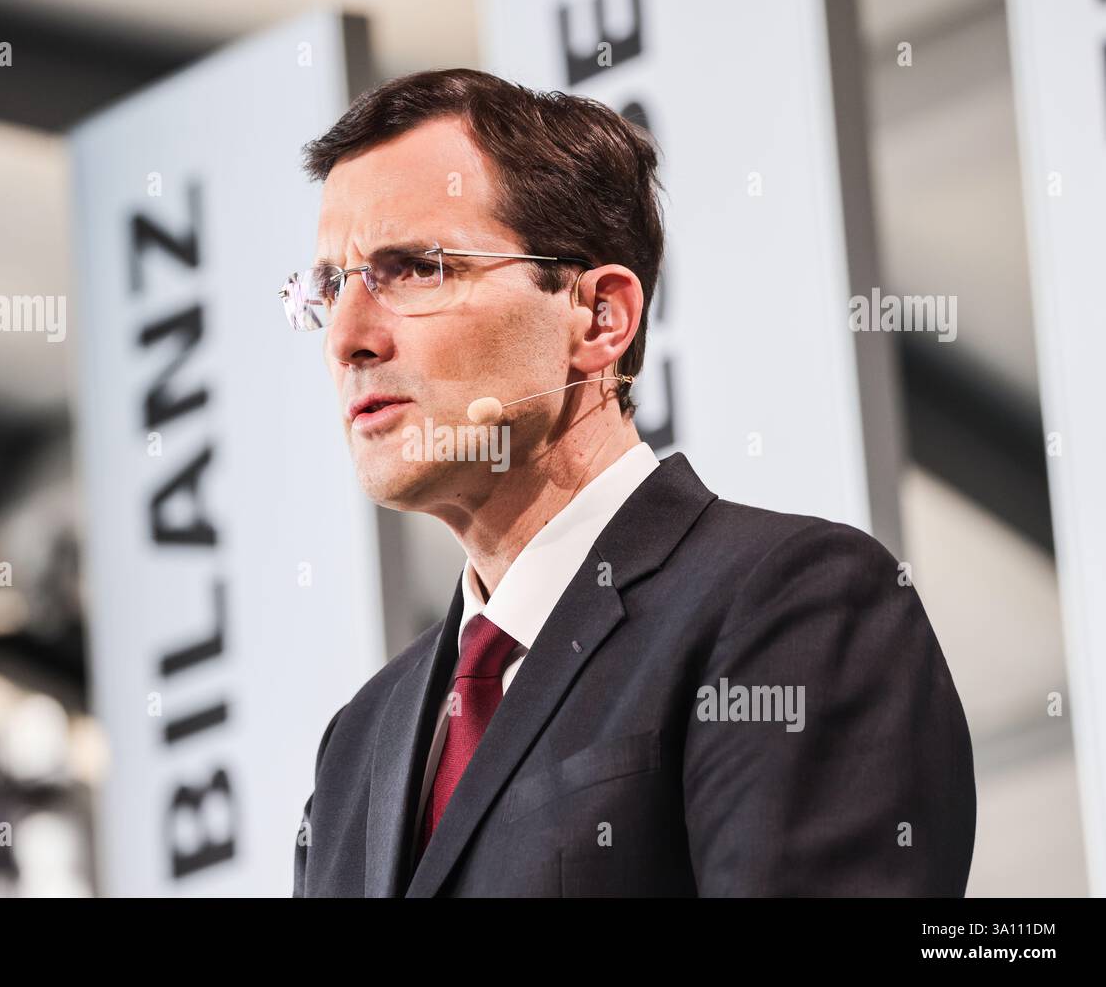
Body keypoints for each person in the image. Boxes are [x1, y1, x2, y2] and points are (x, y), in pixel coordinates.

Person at [284, 68, 975, 897]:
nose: (347, 339)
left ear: (599, 317)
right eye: (328, 287)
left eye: (414, 270)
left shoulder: (792, 605)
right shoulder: (360, 741)